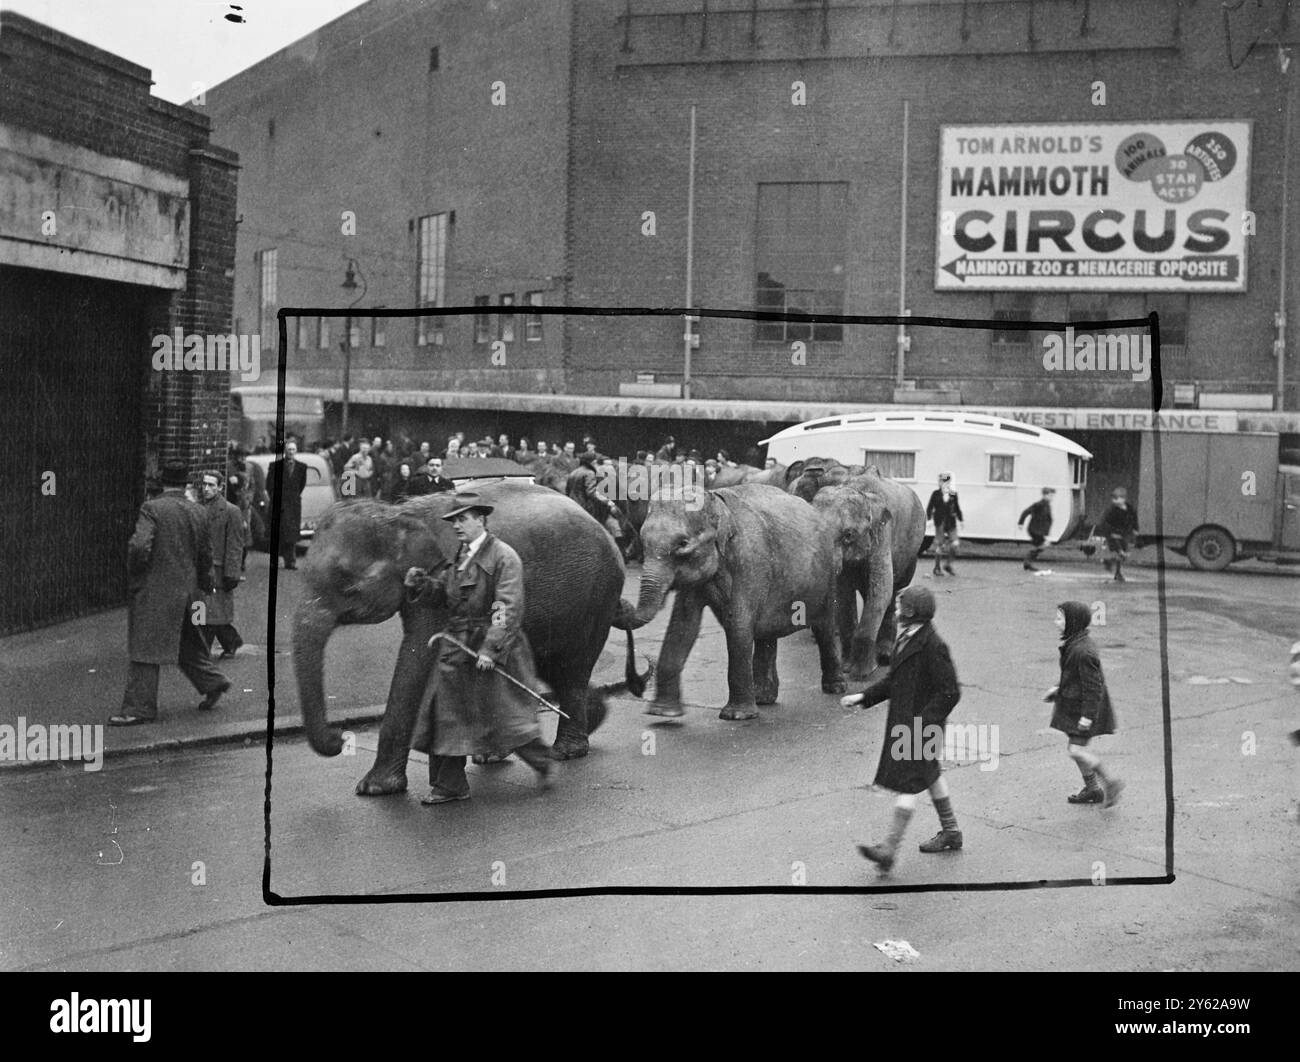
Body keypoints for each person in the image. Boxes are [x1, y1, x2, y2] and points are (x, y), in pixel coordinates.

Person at [405, 492, 554, 803]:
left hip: (492, 649)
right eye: (453, 520)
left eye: (462, 519)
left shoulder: (503, 557)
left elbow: (506, 608)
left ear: (480, 519)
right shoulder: (460, 556)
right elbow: (448, 597)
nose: (456, 526)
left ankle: (541, 759)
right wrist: (423, 586)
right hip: (457, 645)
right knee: (445, 715)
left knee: (505, 716)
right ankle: (450, 785)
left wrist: (491, 648)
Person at [841, 586, 962, 874]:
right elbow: (894, 680)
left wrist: (924, 723)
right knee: (929, 773)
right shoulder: (906, 639)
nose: (895, 610)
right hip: (909, 725)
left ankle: (889, 848)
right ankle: (951, 831)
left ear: (910, 612)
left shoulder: (934, 646)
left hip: (921, 728)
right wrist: (864, 697)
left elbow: (950, 692)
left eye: (899, 606)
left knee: (909, 782)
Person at [109, 459, 230, 726]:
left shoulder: (152, 508)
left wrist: (136, 573)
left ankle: (138, 708)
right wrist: (205, 582)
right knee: (187, 645)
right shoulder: (198, 511)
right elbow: (205, 554)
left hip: (156, 591)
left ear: (162, 481)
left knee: (145, 649)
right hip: (188, 592)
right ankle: (214, 682)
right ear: (186, 482)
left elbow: (140, 547)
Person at [1045, 601, 1123, 807]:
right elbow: (1071, 676)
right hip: (1074, 707)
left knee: (1076, 751)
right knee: (1074, 749)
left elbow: (1093, 688)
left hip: (1084, 710)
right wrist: (1057, 689)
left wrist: (1087, 717)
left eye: (1060, 618)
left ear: (1073, 621)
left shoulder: (1083, 651)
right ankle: (1092, 789)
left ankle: (1109, 782)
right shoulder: (1075, 643)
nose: (1056, 621)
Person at [198, 471, 245, 658]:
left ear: (220, 487)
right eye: (204, 484)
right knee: (202, 608)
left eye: (211, 485)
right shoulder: (196, 508)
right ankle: (228, 641)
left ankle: (206, 646)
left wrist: (232, 573)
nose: (207, 488)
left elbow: (235, 544)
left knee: (213, 611)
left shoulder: (230, 511)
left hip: (218, 569)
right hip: (199, 568)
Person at [266, 439, 308, 569]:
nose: (291, 452)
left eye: (293, 450)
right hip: (280, 504)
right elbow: (269, 485)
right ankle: (283, 557)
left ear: (296, 451)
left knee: (292, 534)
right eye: (289, 449)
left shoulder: (302, 467)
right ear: (285, 451)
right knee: (281, 532)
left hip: (294, 504)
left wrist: (293, 497)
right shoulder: (275, 466)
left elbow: (301, 484)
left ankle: (290, 561)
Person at [926, 472, 964, 577]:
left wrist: (961, 520)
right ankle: (937, 568)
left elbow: (957, 508)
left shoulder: (953, 494)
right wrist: (929, 519)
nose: (942, 483)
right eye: (941, 481)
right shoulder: (935, 494)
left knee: (955, 544)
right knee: (940, 545)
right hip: (940, 522)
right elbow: (929, 507)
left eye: (945, 481)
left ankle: (948, 564)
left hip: (951, 522)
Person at [1099, 486, 1138, 583]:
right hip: (1113, 534)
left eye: (1118, 498)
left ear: (1123, 498)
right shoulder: (1111, 510)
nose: (1115, 501)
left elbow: (1134, 519)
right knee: (1119, 551)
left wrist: (1135, 529)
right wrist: (1111, 533)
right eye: (1114, 498)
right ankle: (1113, 567)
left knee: (1123, 553)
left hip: (1124, 533)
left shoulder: (1129, 508)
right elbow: (1104, 523)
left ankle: (1115, 569)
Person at [1019, 487, 1056, 571]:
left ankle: (1028, 563)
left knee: (1042, 545)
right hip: (1034, 530)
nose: (1052, 497)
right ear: (1045, 495)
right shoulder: (1039, 504)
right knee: (1044, 544)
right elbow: (1026, 511)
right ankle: (1027, 562)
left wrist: (1047, 530)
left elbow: (1048, 519)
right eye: (1050, 495)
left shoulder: (1047, 505)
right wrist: (1021, 523)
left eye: (1052, 495)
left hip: (1038, 531)